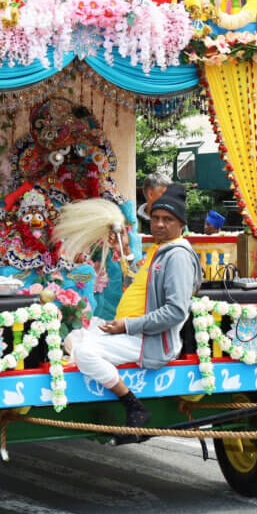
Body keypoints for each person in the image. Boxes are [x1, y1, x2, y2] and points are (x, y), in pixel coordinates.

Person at [65, 183, 197, 437]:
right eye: (156, 218)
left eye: (167, 219)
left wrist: (126, 325)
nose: (159, 224)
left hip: (151, 341)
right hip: (135, 333)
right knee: (74, 337)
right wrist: (123, 250)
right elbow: (137, 285)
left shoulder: (177, 255)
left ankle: (134, 406)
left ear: (181, 224)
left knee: (83, 352)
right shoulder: (161, 250)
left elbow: (176, 311)